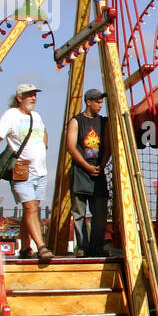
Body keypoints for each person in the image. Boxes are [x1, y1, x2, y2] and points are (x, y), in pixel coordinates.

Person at [0, 83, 51, 260]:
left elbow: (44, 132)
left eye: (34, 95)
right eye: (29, 94)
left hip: (41, 171)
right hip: (22, 169)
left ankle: (24, 248)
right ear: (19, 98)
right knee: (30, 208)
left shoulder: (36, 116)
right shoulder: (10, 115)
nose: (33, 97)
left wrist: (43, 146)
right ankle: (41, 246)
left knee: (31, 209)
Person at [65, 87, 110, 257]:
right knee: (79, 213)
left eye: (101, 102)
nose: (100, 105)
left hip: (98, 171)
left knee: (100, 212)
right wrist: (86, 166)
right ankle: (82, 247)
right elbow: (71, 146)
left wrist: (103, 165)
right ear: (88, 102)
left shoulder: (104, 122)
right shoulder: (76, 121)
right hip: (81, 171)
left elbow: (108, 146)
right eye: (97, 102)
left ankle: (97, 246)